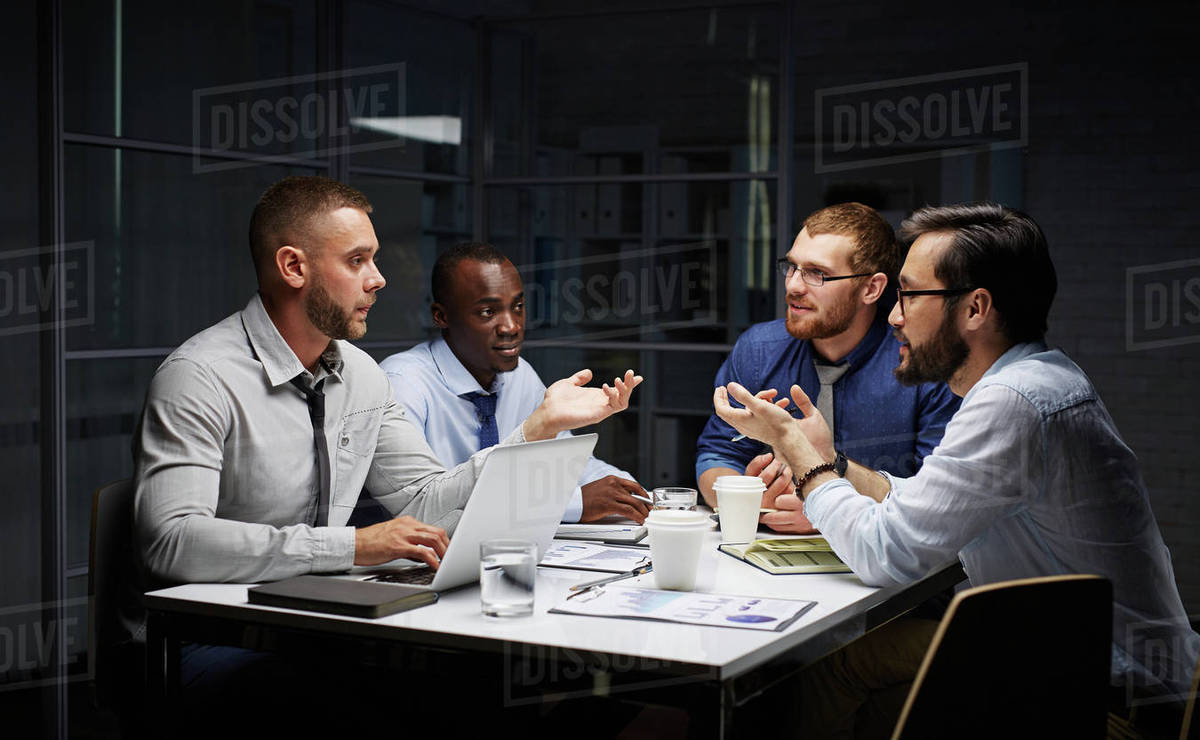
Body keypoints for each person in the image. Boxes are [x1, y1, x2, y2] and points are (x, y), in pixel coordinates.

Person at [130, 176, 642, 735]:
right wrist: (354, 545)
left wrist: (538, 428)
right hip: (212, 639)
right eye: (357, 261)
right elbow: (172, 543)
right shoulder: (198, 378)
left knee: (472, 688)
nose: (378, 279)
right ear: (293, 267)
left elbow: (425, 499)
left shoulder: (360, 373)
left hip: (315, 625)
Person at [714, 202, 1199, 736]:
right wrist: (833, 462)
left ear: (975, 308)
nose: (895, 317)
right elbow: (924, 499)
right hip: (1073, 661)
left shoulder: (1014, 402)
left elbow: (887, 553)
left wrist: (802, 458)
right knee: (852, 668)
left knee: (828, 667)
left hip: (1103, 703)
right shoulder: (1038, 379)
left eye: (911, 295)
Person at [696, 202, 959, 533]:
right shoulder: (759, 350)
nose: (793, 286)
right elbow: (716, 454)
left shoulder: (923, 362)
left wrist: (827, 512)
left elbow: (938, 499)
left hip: (886, 562)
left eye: (817, 273)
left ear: (871, 288)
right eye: (791, 267)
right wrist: (745, 500)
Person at [378, 243, 650, 524]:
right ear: (441, 316)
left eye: (518, 307)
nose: (511, 326)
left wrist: (636, 495)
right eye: (487, 312)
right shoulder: (403, 383)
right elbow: (422, 509)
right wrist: (574, 503)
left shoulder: (519, 375)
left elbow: (570, 465)